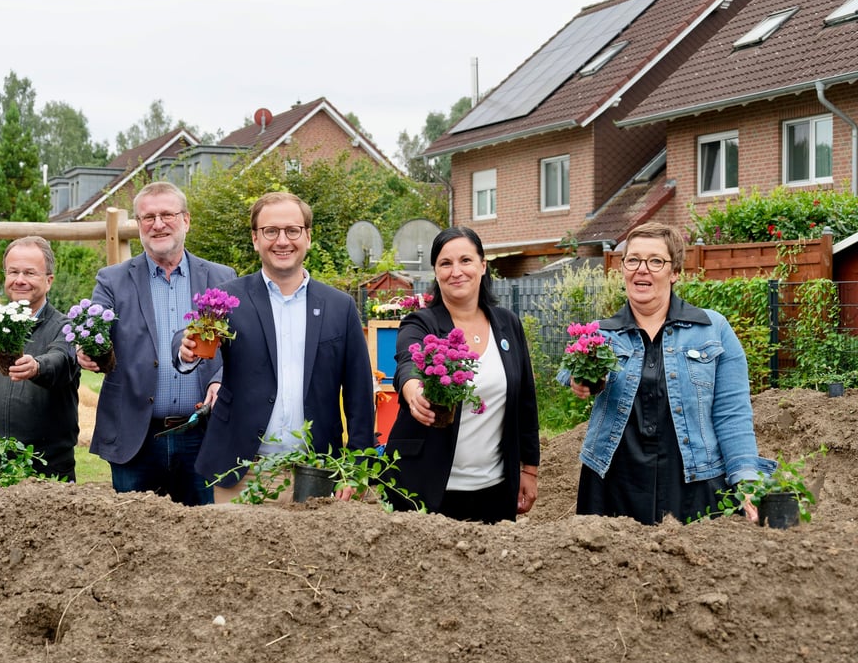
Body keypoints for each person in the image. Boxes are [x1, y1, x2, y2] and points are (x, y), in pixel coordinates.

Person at [559, 222, 776, 525]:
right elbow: (571, 371)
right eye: (633, 260)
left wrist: (746, 478)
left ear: (674, 273)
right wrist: (579, 380)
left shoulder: (713, 329)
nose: (641, 269)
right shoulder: (602, 334)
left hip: (694, 481)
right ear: (623, 269)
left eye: (655, 261)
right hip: (612, 483)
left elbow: (732, 413)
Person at [178, 191, 375, 502]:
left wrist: (356, 467)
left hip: (318, 471)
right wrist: (185, 349)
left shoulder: (340, 307)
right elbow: (191, 341)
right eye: (271, 231)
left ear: (308, 237)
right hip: (241, 471)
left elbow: (360, 397)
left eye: (292, 230)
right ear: (256, 239)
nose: (282, 241)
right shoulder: (227, 301)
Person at [79, 181, 236, 504]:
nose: (158, 224)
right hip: (136, 436)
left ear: (186, 221)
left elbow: (238, 348)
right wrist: (84, 349)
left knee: (204, 538)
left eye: (167, 214)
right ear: (138, 225)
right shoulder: (112, 280)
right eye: (148, 217)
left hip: (201, 435)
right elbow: (92, 330)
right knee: (135, 542)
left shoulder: (221, 277)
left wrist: (221, 378)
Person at [384, 226, 540, 524]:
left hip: (494, 489)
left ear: (483, 266)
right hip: (425, 487)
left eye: (465, 261)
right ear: (436, 271)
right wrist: (414, 391)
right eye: (446, 263)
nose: (456, 271)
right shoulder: (421, 323)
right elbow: (408, 362)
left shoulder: (508, 325)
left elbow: (526, 403)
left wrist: (529, 469)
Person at [0, 236, 81, 481]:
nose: (20, 280)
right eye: (13, 272)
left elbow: (61, 361)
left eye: (30, 273)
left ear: (48, 281)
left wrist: (37, 367)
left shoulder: (66, 329)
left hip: (46, 470)